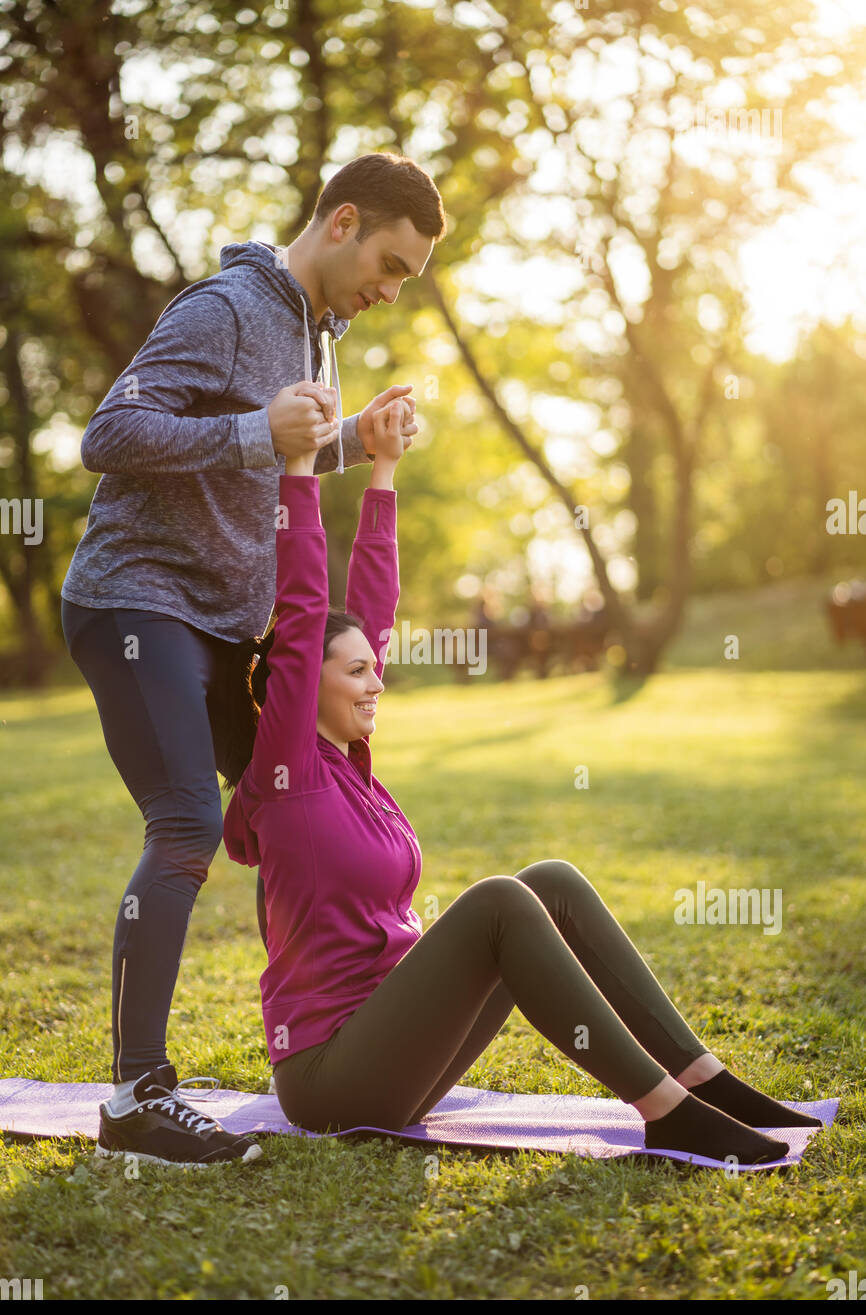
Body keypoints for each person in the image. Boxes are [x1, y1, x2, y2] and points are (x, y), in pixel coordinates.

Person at [220, 399, 823, 1168]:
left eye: (376, 668)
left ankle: (705, 1081)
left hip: (398, 1043)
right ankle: (667, 1114)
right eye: (358, 671)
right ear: (302, 686)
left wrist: (385, 469)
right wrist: (299, 468)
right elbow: (304, 613)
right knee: (500, 900)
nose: (377, 681)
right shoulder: (287, 774)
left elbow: (369, 610)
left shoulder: (353, 770)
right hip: (331, 1079)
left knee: (550, 882)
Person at [59, 151, 446, 1167]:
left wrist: (360, 434)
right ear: (342, 220)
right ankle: (137, 1095)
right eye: (391, 264)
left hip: (231, 626)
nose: (391, 288)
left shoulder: (322, 337)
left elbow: (290, 451)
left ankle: (344, 1028)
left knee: (300, 796)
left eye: (407, 277)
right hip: (138, 598)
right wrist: (248, 433)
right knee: (186, 820)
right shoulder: (226, 307)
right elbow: (108, 433)